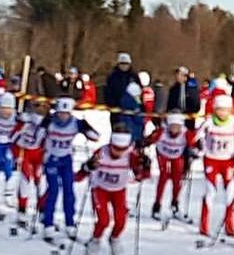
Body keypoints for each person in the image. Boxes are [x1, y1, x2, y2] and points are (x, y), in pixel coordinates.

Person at [77, 124, 150, 255]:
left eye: (123, 149)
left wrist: (145, 166)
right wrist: (88, 167)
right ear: (111, 144)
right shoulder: (101, 153)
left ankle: (114, 239)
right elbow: (82, 173)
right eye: (116, 148)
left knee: (121, 221)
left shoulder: (131, 155)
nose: (119, 152)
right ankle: (95, 240)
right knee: (104, 220)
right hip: (100, 189)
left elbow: (141, 176)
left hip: (119, 190)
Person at [193, 94, 234, 237]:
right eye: (220, 109)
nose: (223, 113)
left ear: (230, 110)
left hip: (229, 161)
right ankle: (204, 225)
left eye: (226, 110)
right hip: (211, 160)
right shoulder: (209, 122)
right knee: (211, 192)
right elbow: (194, 137)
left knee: (230, 193)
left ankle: (229, 224)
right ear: (215, 109)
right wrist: (195, 146)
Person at [40, 96, 100, 241]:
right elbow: (37, 135)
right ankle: (48, 223)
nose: (63, 116)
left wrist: (86, 127)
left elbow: (95, 136)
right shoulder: (49, 122)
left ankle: (70, 223)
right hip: (51, 158)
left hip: (66, 159)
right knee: (53, 190)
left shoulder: (75, 123)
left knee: (69, 190)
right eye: (61, 113)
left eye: (66, 113)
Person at [145, 112, 193, 218]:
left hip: (177, 156)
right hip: (163, 155)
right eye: (173, 126)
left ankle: (175, 204)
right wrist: (144, 144)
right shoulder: (162, 131)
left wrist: (195, 151)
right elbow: (149, 139)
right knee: (163, 177)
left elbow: (194, 142)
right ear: (168, 125)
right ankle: (157, 206)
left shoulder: (185, 133)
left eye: (178, 126)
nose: (175, 129)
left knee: (177, 180)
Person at [14, 100, 48, 223]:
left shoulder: (48, 123)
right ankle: (22, 208)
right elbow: (13, 137)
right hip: (25, 153)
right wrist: (16, 154)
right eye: (37, 106)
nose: (40, 109)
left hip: (39, 154)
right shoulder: (24, 121)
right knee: (25, 180)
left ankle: (42, 209)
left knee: (41, 182)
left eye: (43, 107)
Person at [104, 53, 140, 126]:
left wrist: (138, 106)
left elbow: (139, 93)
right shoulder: (112, 77)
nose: (124, 66)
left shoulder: (134, 76)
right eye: (122, 63)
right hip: (116, 111)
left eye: (126, 63)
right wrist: (112, 105)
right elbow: (107, 92)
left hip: (132, 111)